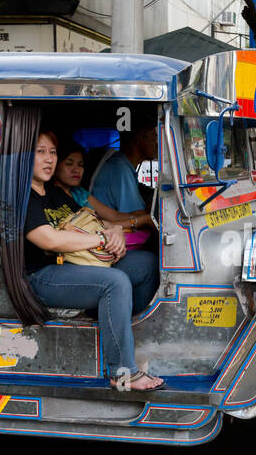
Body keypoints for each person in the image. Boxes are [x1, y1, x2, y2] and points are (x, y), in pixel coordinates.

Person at [23, 131, 163, 391]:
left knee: (146, 264)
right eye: (40, 152)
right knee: (115, 282)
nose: (48, 159)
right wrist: (102, 239)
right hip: (42, 276)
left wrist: (116, 232)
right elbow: (49, 240)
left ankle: (122, 337)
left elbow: (98, 222)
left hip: (78, 266)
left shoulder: (56, 194)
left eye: (52, 152)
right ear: (24, 156)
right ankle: (123, 373)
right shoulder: (24, 196)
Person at [49, 133, 158, 312]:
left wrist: (138, 222)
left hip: (98, 253)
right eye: (69, 164)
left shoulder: (79, 193)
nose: (76, 170)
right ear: (55, 165)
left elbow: (113, 217)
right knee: (121, 278)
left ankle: (135, 318)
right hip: (77, 259)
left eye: (80, 165)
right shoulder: (51, 196)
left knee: (149, 262)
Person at [91, 123, 157, 221]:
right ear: (139, 138)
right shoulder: (120, 168)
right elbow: (139, 215)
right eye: (153, 138)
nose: (157, 144)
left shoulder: (122, 164)